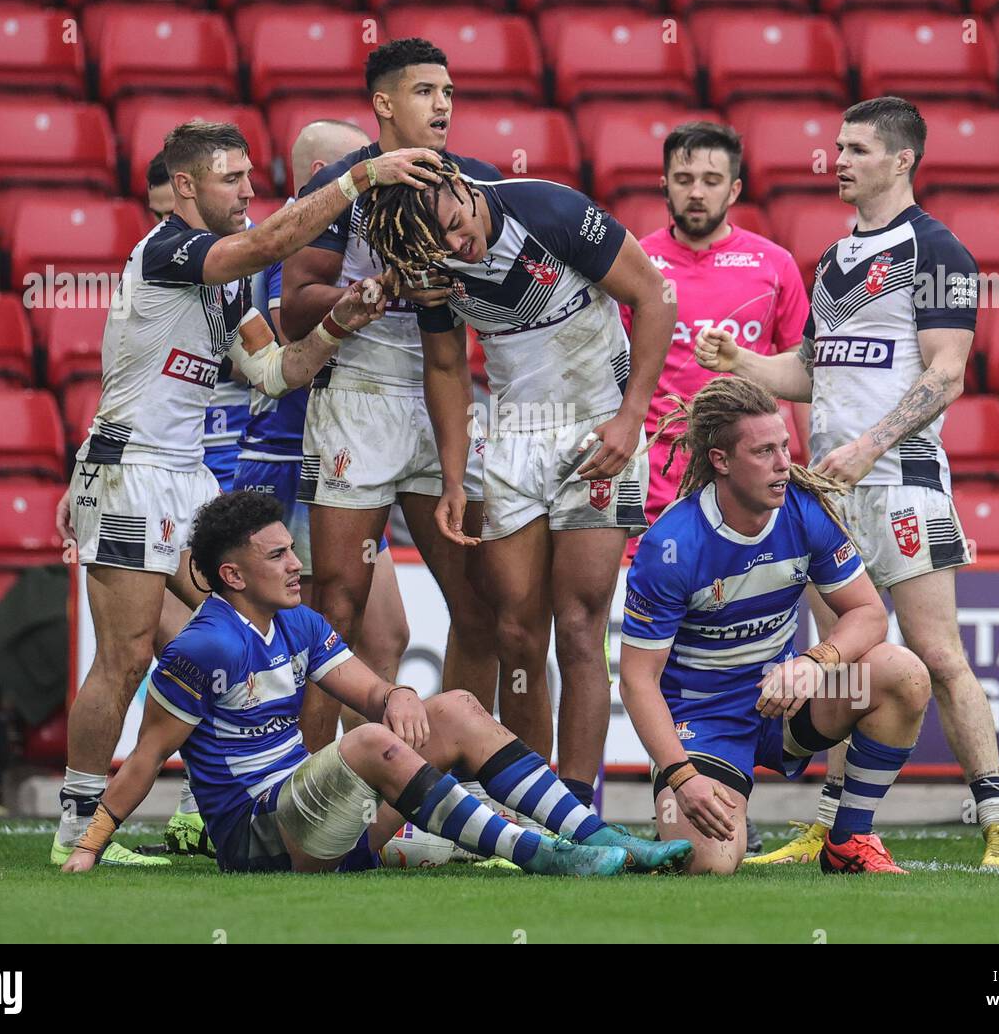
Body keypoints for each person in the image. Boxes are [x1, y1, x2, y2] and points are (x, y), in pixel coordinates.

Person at [51, 120, 440, 866]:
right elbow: (267, 246)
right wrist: (358, 178)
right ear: (189, 186)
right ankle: (77, 820)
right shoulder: (171, 250)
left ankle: (212, 797)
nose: (248, 191)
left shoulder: (227, 285)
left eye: (250, 177)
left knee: (242, 633)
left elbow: (278, 373)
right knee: (126, 655)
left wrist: (336, 323)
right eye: (231, 178)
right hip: (132, 469)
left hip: (189, 476)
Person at [696, 96, 999, 869]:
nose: (837, 161)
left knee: (938, 653)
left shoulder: (938, 251)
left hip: (902, 481)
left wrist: (872, 446)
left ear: (901, 160)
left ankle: (998, 821)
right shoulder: (837, 256)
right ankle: (834, 824)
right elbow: (810, 371)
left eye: (856, 149)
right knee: (843, 657)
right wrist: (740, 362)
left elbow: (948, 374)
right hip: (827, 491)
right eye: (837, 147)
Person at [59, 491, 694, 877]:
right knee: (365, 746)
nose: (296, 564)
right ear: (232, 574)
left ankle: (601, 838)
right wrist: (90, 842)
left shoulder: (299, 624)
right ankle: (547, 856)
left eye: (291, 550)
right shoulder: (205, 647)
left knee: (457, 707)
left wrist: (398, 696)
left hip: (324, 825)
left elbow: (368, 692)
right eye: (277, 556)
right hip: (259, 840)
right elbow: (144, 759)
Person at [362, 160, 673, 808]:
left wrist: (630, 416)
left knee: (582, 623)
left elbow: (653, 296)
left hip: (597, 429)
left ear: (462, 189)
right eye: (437, 244)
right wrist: (453, 477)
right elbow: (446, 365)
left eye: (454, 226)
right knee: (516, 632)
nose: (454, 246)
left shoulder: (550, 211)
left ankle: (581, 801)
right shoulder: (428, 263)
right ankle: (532, 805)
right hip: (513, 439)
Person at [279, 39, 500, 753]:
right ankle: (304, 794)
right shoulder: (344, 187)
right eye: (426, 91)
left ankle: (458, 791)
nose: (443, 105)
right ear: (383, 103)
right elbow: (294, 306)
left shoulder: (479, 183)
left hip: (448, 402)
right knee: (336, 605)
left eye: (450, 92)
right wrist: (364, 295)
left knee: (479, 609)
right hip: (359, 400)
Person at [618, 378, 931, 875]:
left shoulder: (804, 510)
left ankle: (848, 839)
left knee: (902, 672)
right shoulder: (671, 547)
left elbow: (869, 613)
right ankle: (673, 818)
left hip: (783, 704)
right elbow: (637, 681)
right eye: (764, 451)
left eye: (784, 445)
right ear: (721, 460)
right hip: (704, 723)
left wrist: (814, 662)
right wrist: (682, 776)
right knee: (712, 865)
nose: (785, 463)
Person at [233, 120, 411, 695]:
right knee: (314, 642)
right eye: (360, 168)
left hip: (344, 457)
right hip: (292, 460)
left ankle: (371, 773)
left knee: (384, 636)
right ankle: (296, 777)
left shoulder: (320, 234)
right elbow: (294, 337)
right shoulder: (293, 240)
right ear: (323, 176)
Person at [627, 121, 810, 528]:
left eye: (711, 181)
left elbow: (805, 373)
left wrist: (813, 464)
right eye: (683, 179)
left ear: (734, 190)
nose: (696, 192)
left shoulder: (774, 263)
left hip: (751, 476)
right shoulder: (635, 264)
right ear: (664, 184)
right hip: (655, 477)